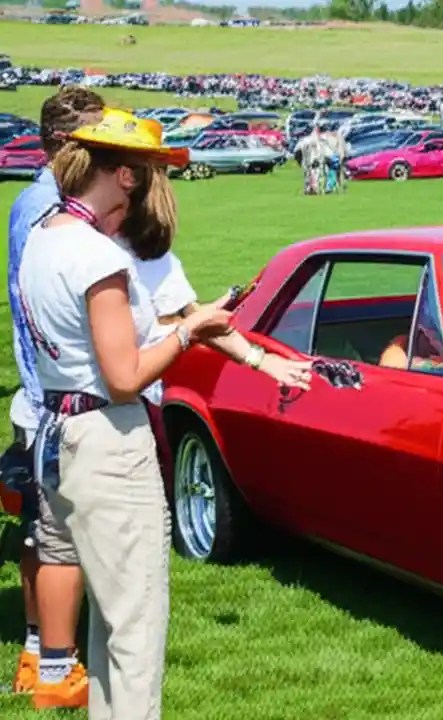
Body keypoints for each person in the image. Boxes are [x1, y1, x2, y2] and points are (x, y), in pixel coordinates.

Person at [18, 107, 232, 719]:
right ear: (127, 176)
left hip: (58, 430)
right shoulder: (98, 256)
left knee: (109, 625)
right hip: (109, 441)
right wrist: (190, 331)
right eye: (150, 172)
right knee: (135, 628)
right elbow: (124, 378)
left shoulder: (43, 236)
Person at [5, 85, 104, 707]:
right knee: (52, 537)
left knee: (43, 535)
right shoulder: (47, 209)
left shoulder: (37, 201)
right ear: (67, 143)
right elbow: (44, 312)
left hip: (44, 397)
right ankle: (48, 663)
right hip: (54, 399)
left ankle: (39, 657)